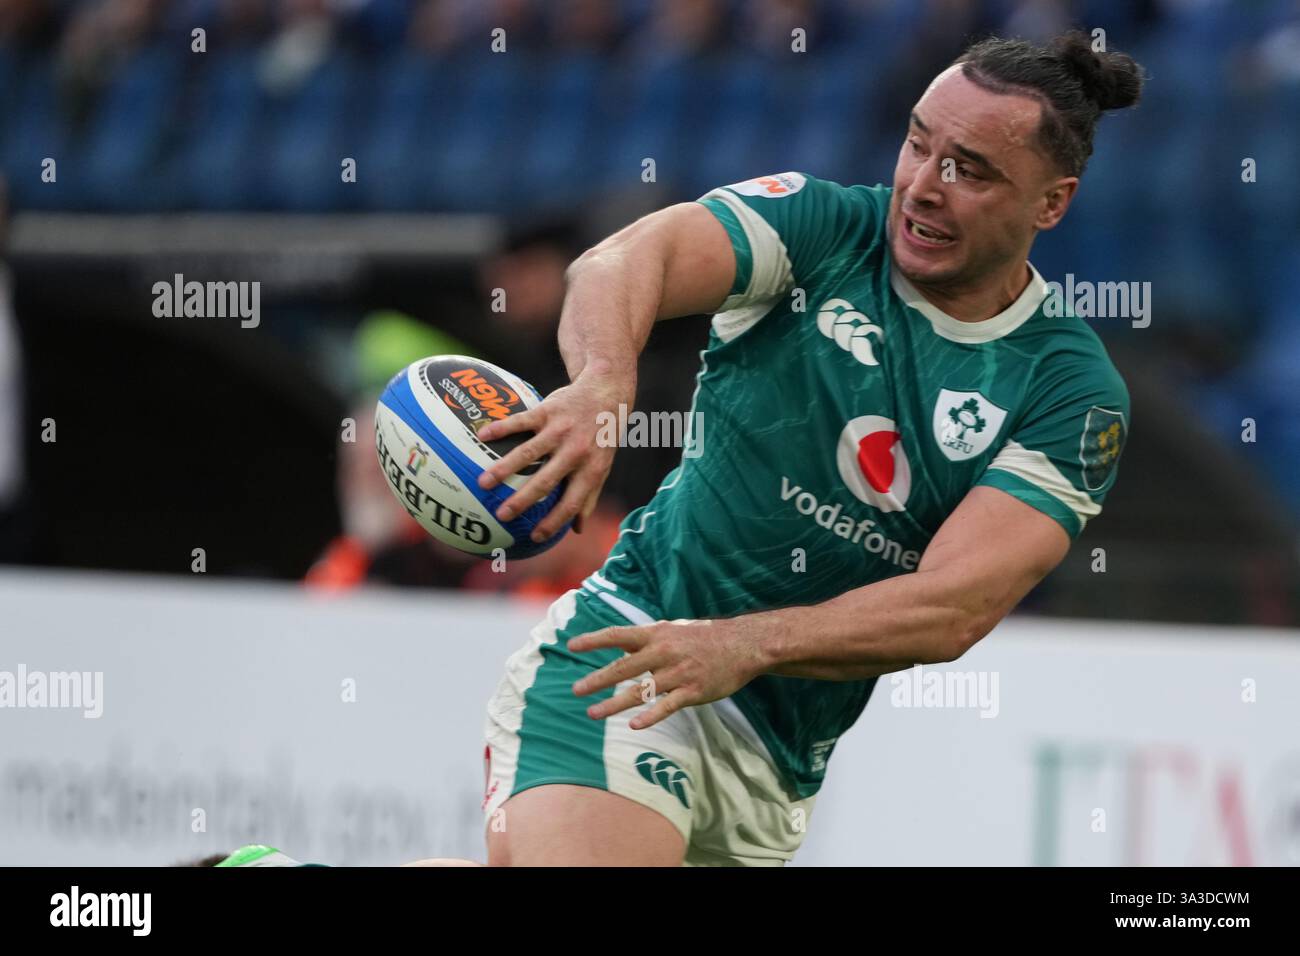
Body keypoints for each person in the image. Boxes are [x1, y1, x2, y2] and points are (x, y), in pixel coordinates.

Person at [477, 31, 1141, 866]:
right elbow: (628, 257)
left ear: (1052, 202)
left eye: (969, 170)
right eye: (917, 144)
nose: (923, 188)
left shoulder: (1068, 391)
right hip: (631, 651)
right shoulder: (825, 229)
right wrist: (604, 385)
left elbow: (953, 606)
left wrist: (745, 645)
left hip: (777, 756)